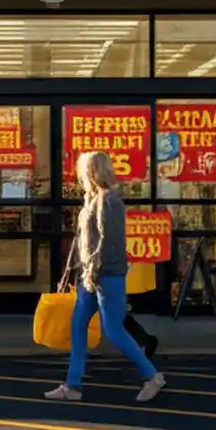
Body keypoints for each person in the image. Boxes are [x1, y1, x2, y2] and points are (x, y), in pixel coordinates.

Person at [45, 151, 165, 403]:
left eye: (83, 171)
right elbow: (85, 241)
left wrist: (93, 272)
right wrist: (76, 270)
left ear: (91, 172)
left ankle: (152, 376)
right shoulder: (94, 199)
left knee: (113, 330)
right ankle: (72, 385)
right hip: (91, 275)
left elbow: (106, 244)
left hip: (105, 275)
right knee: (78, 325)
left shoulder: (108, 201)